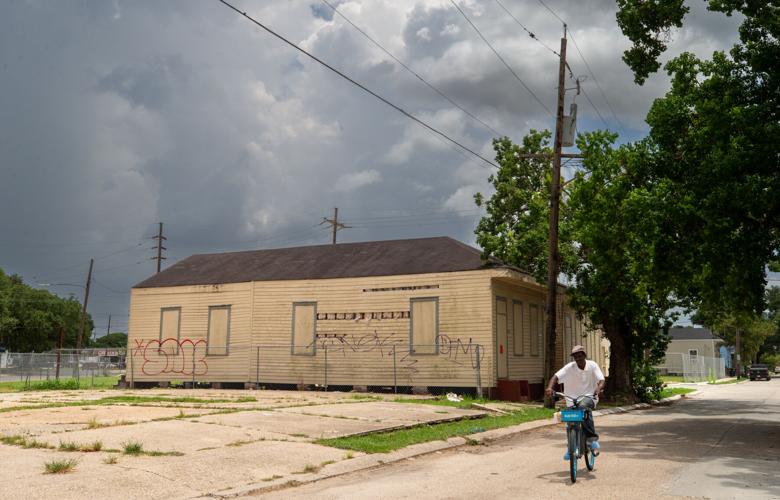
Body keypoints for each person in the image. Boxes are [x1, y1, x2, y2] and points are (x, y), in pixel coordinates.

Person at [545, 345, 605, 458]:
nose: (577, 358)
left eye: (579, 355)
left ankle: (592, 440)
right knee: (571, 421)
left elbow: (601, 380)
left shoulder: (592, 365)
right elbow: (555, 377)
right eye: (575, 356)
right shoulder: (569, 367)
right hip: (571, 399)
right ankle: (571, 448)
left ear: (584, 355)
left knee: (583, 407)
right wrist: (549, 388)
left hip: (589, 396)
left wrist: (598, 388)